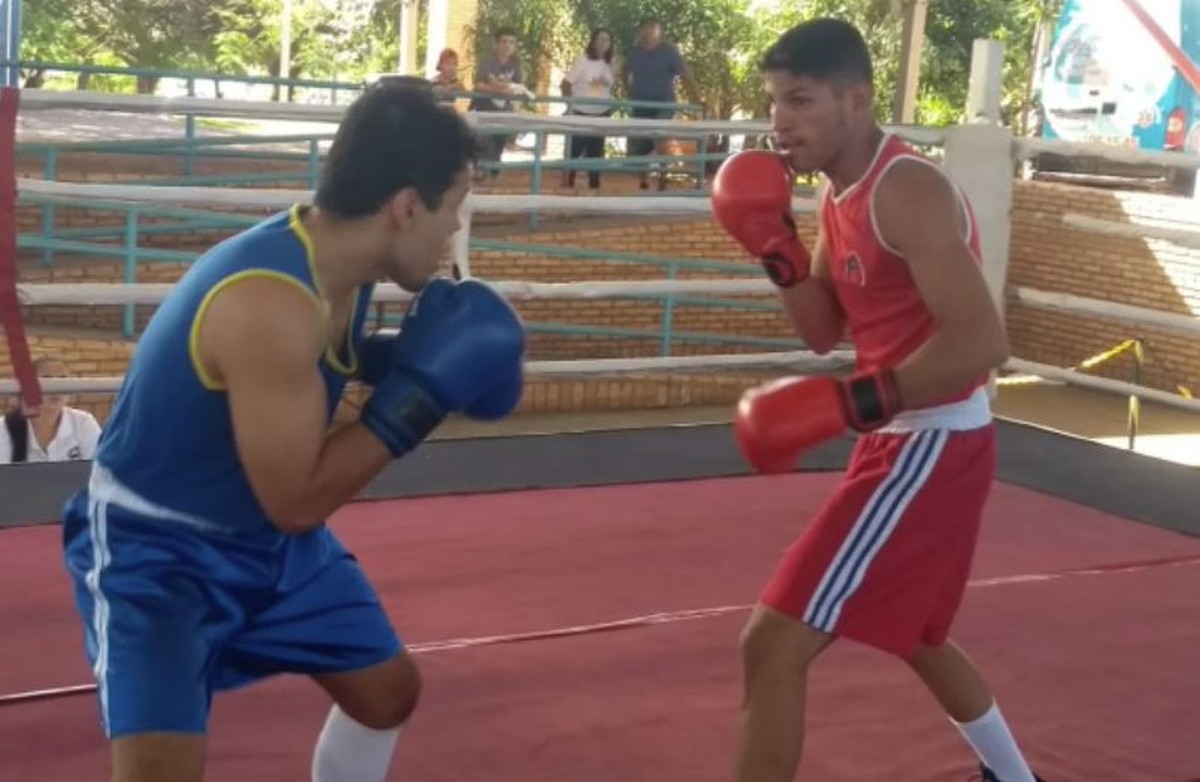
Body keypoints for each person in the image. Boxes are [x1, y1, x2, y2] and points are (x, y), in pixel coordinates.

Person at [60, 82, 526, 782]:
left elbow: (307, 400)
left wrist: (394, 360)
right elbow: (298, 500)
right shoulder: (268, 302)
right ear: (405, 208)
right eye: (452, 210)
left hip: (267, 543)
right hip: (158, 552)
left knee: (387, 692)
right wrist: (421, 394)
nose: (453, 233)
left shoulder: (348, 265)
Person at [710, 19, 1044, 782]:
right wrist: (775, 246)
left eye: (800, 100)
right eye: (774, 102)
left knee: (770, 644)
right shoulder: (841, 193)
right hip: (902, 434)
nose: (780, 121)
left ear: (856, 100)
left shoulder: (908, 189)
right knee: (919, 633)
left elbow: (981, 342)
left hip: (930, 442)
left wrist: (855, 403)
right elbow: (827, 326)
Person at [1, 355, 102, 464]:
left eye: (63, 379)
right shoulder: (4, 428)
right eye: (47, 379)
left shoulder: (83, 422)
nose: (56, 387)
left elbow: (100, 471)